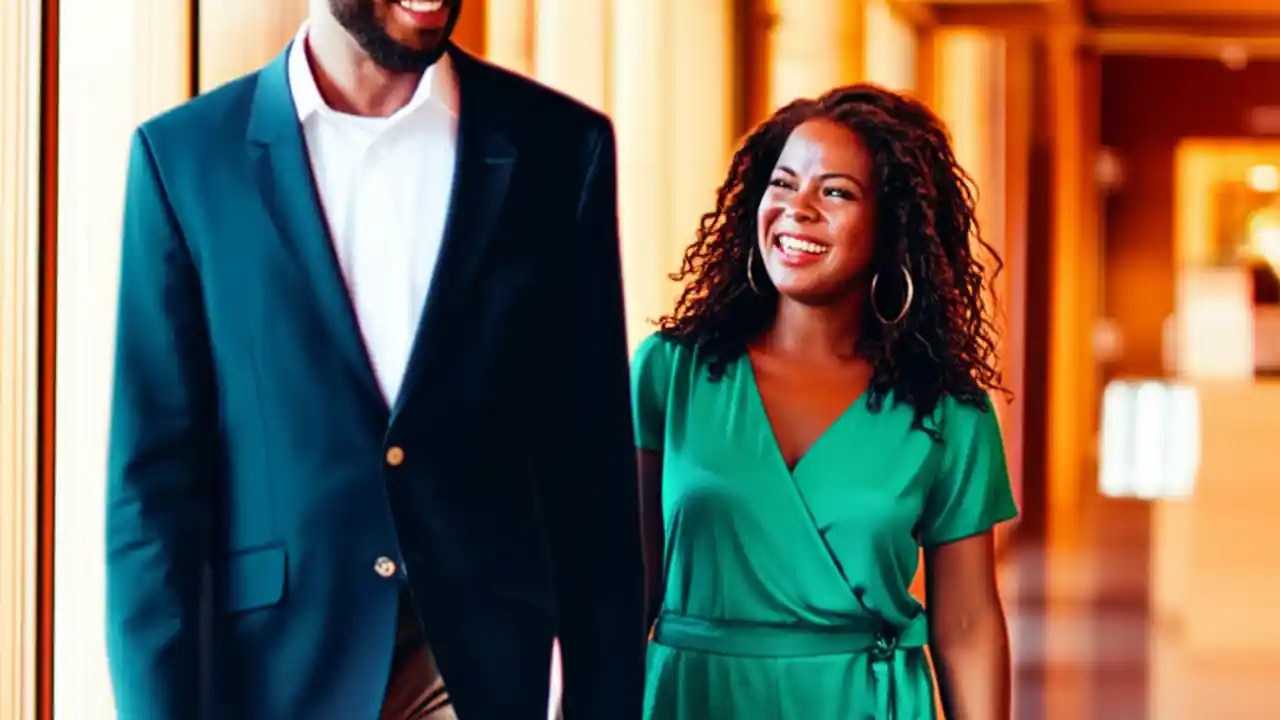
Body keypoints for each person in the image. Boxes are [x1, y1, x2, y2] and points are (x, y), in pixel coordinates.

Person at [105, 1, 644, 718]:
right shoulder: (186, 161)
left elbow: (591, 475)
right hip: (280, 670)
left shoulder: (560, 148)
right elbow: (152, 494)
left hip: (478, 664)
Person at [632, 84, 1018, 719]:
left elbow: (969, 623)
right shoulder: (671, 372)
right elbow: (624, 591)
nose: (798, 209)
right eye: (783, 184)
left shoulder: (947, 410)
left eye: (836, 192)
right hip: (693, 698)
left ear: (893, 228)